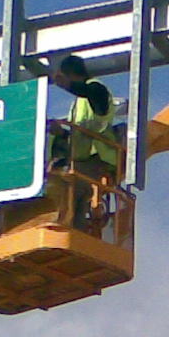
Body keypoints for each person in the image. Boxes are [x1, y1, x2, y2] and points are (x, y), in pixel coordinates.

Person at [49, 53, 119, 227]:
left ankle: (68, 232)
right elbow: (80, 134)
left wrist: (68, 85)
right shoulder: (81, 101)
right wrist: (62, 134)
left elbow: (92, 93)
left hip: (94, 157)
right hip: (82, 158)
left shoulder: (95, 88)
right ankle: (73, 232)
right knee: (76, 200)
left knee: (72, 196)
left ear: (70, 75)